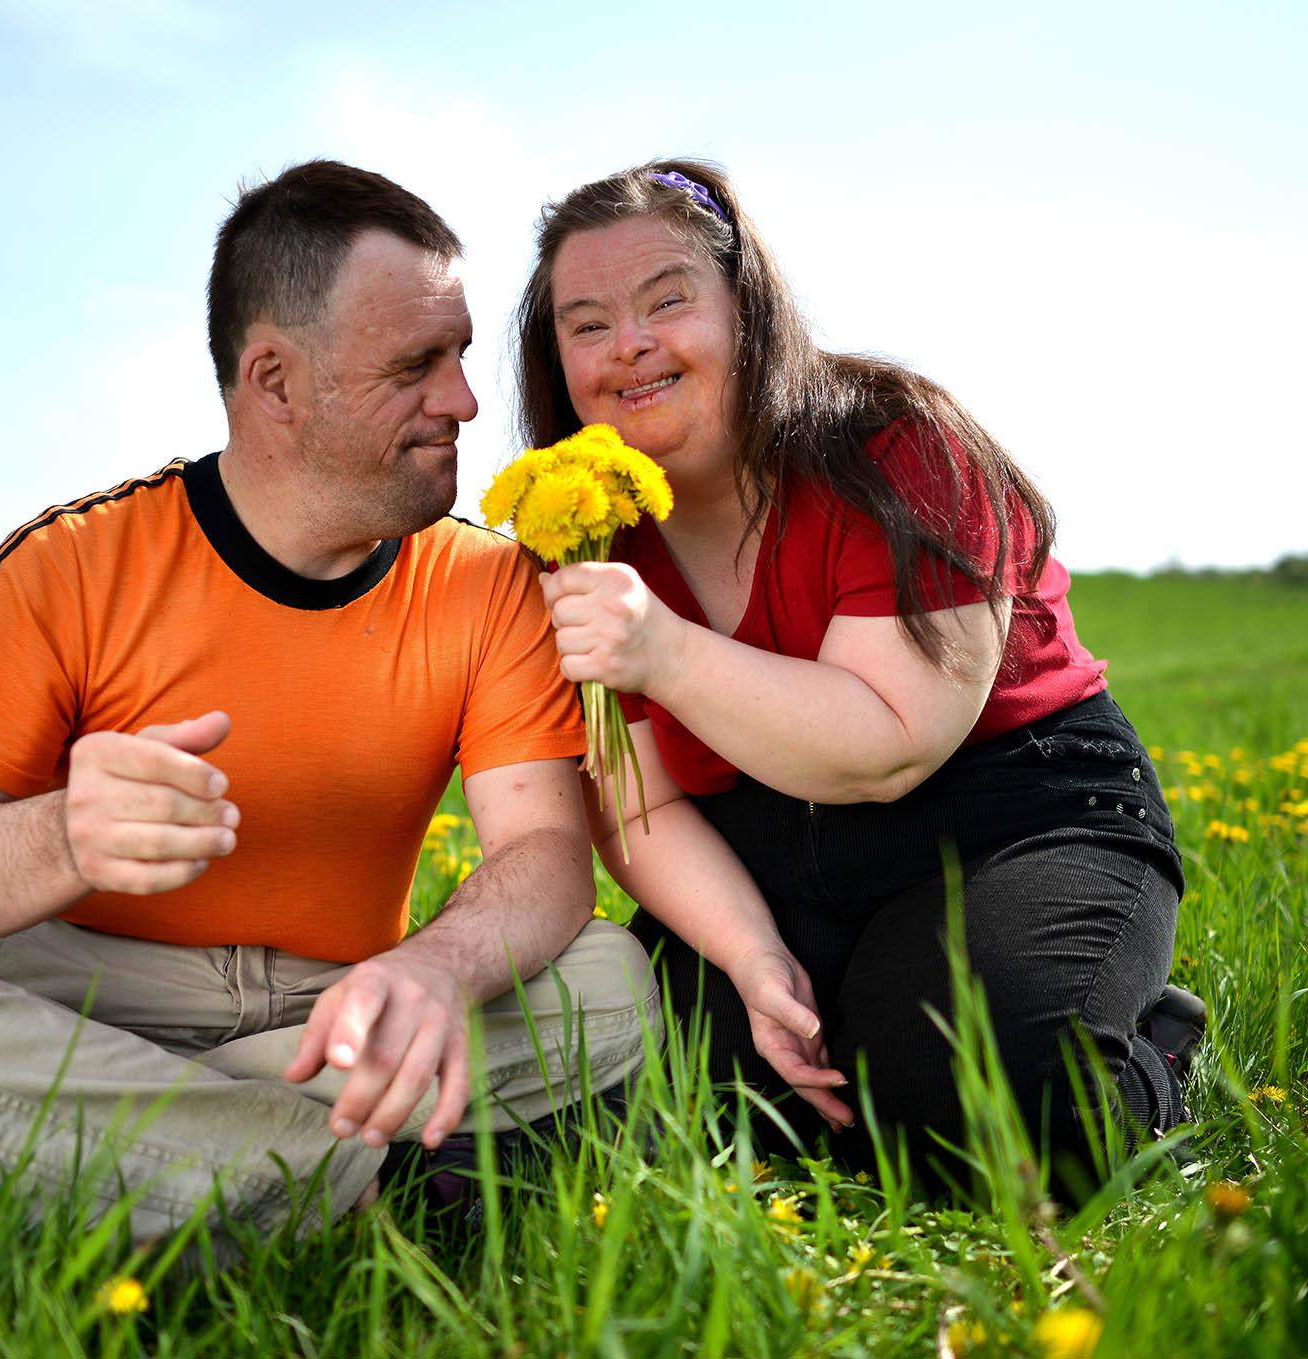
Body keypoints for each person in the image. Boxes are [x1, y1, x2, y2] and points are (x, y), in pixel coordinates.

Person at [0, 160, 655, 1244]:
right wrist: (63, 836)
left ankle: (187, 1182)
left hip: (334, 1018)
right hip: (73, 1020)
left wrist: (429, 969)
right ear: (275, 381)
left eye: (461, 355)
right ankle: (345, 1181)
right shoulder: (71, 564)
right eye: (416, 365)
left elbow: (544, 856)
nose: (465, 402)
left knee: (608, 979)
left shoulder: (488, 584)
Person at [515, 159, 1202, 1171]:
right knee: (702, 1125)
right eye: (586, 324)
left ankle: (1155, 1053)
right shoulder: (578, 533)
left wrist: (659, 650)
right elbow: (636, 805)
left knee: (987, 1113)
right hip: (760, 849)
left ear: (747, 312)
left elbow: (889, 746)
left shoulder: (898, 447)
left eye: (669, 302)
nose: (631, 345)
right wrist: (752, 958)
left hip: (1006, 811)